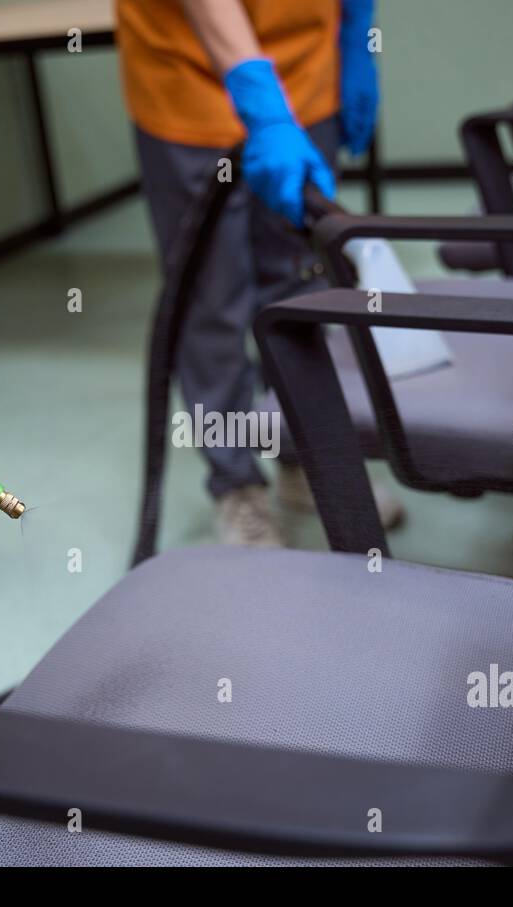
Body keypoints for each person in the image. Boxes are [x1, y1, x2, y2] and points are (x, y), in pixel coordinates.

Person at [116, 0, 401, 547]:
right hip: (188, 71)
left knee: (300, 287)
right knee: (211, 301)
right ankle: (237, 484)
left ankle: (304, 460)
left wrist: (357, 32)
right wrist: (260, 102)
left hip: (306, 72)